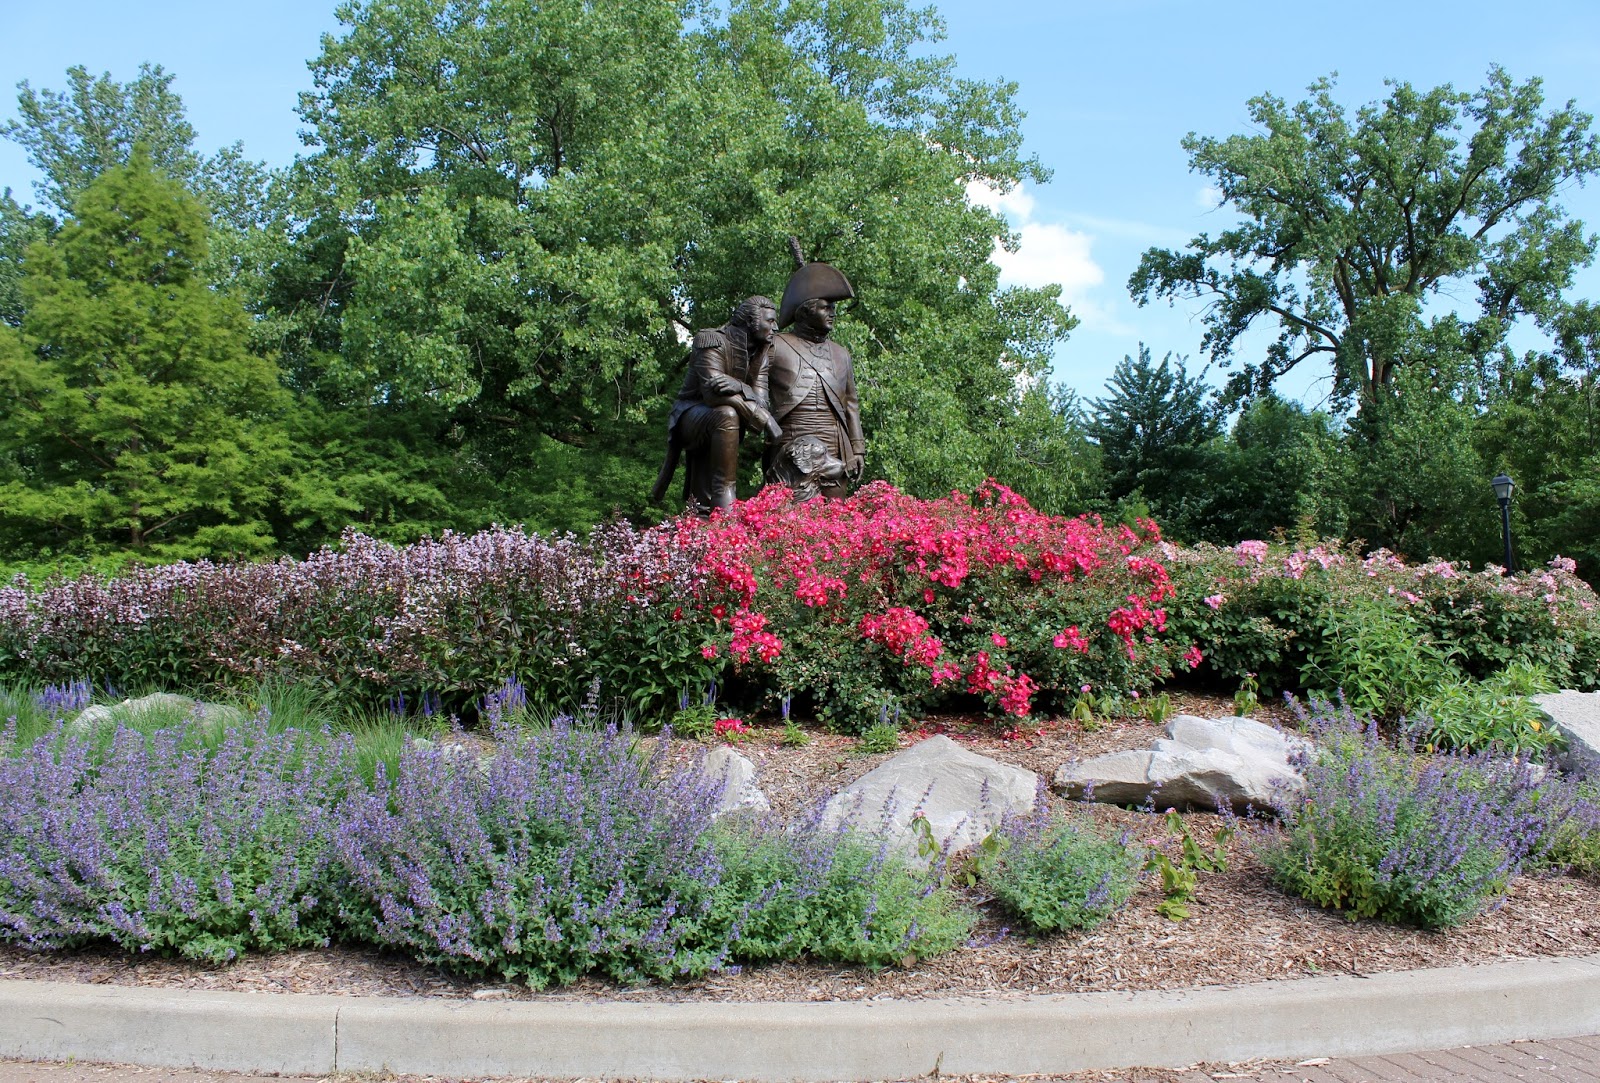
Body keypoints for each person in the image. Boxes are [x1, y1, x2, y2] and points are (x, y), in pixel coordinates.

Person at [650, 296, 781, 512]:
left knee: (729, 412)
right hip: (689, 417)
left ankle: (714, 508)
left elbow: (761, 402)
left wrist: (738, 385)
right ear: (750, 321)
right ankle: (724, 515)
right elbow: (712, 395)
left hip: (729, 415)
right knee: (727, 413)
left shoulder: (762, 351)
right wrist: (765, 420)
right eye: (770, 321)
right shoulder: (711, 339)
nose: (775, 327)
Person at [764, 261, 865, 498]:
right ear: (805, 310)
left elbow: (851, 404)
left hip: (834, 446)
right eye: (825, 307)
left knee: (835, 520)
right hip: (791, 444)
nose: (833, 313)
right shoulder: (775, 345)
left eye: (833, 307)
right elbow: (755, 388)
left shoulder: (841, 354)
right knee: (789, 517)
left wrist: (857, 449)